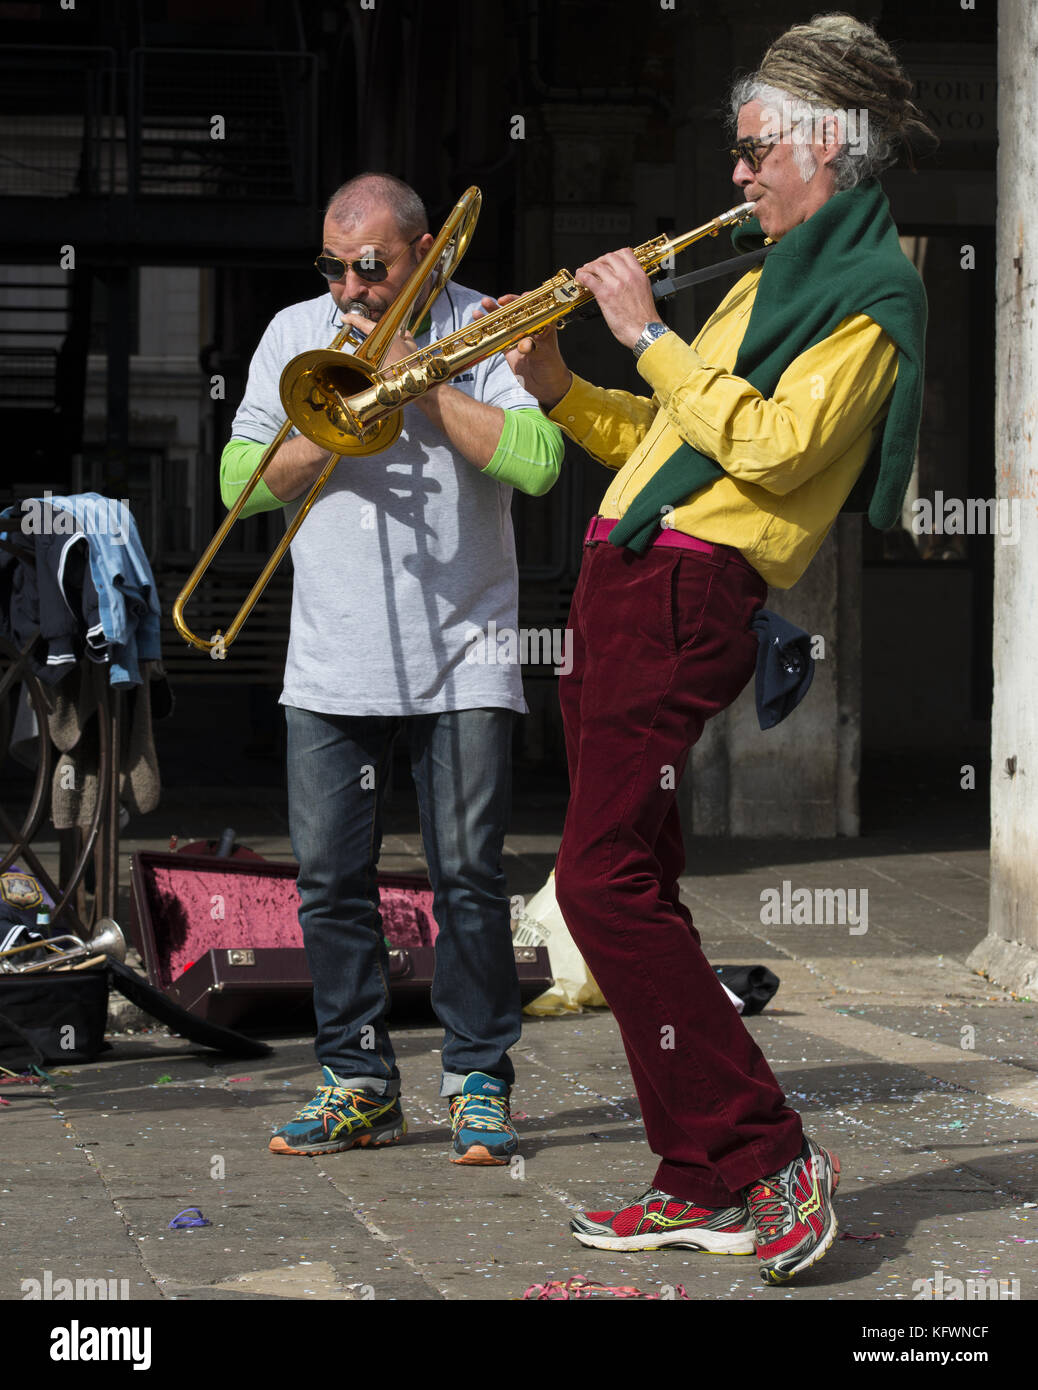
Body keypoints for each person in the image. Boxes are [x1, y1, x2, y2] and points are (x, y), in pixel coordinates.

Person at [502, 14, 933, 1282]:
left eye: (754, 152)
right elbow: (671, 433)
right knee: (631, 878)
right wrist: (556, 382)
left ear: (824, 148)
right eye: (737, 151)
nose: (736, 175)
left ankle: (769, 1154)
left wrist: (645, 332)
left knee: (597, 889)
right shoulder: (765, 278)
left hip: (688, 594)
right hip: (627, 576)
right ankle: (695, 1175)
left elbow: (775, 447)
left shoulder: (876, 294)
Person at [221, 172, 564, 1165]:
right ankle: (358, 1081)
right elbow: (239, 484)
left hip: (466, 660)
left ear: (426, 255)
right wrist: (327, 426)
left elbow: (539, 461)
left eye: (368, 267)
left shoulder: (487, 325)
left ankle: (479, 1082)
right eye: (333, 266)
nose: (349, 289)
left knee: (467, 881)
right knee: (330, 885)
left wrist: (426, 385)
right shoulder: (295, 335)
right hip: (330, 663)